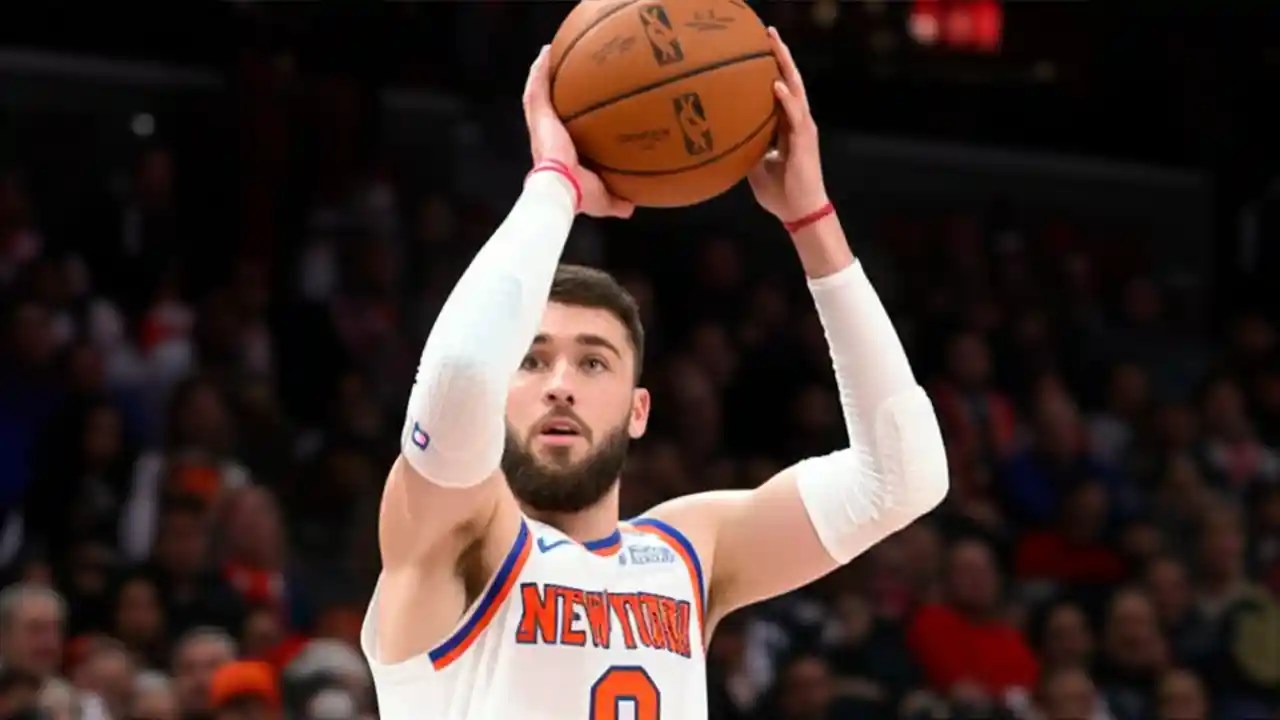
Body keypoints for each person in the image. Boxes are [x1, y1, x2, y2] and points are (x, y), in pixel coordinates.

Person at [359, 28, 949, 719]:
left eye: (592, 361)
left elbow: (904, 477)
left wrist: (811, 220)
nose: (559, 382)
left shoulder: (688, 553)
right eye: (532, 358)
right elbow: (459, 373)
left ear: (639, 410)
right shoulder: (453, 536)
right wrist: (555, 187)